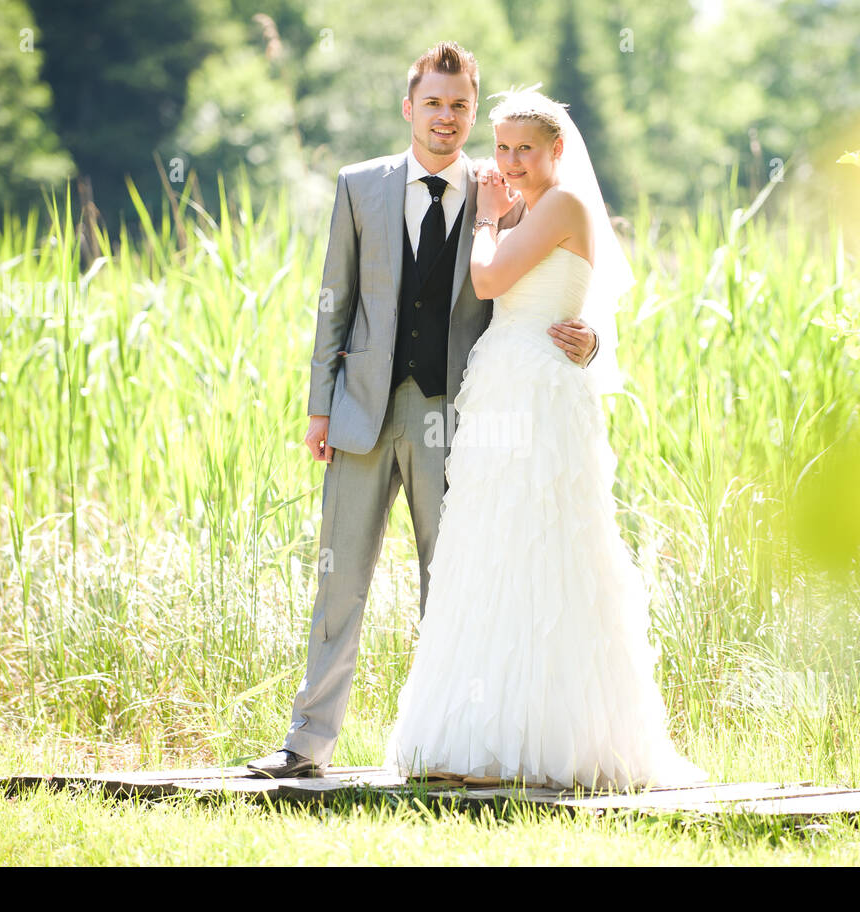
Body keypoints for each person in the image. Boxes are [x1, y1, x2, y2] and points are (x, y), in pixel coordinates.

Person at [244, 43, 601, 779]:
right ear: (410, 108)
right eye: (434, 103)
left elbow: (564, 276)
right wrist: (319, 409)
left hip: (455, 417)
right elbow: (333, 302)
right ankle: (305, 745)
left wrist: (590, 338)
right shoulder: (358, 186)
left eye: (461, 105)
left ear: (473, 112)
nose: (447, 117)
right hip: (360, 414)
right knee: (339, 584)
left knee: (455, 581)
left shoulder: (502, 188)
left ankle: (449, 746)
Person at [380, 88, 708, 790]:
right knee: (492, 544)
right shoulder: (525, 208)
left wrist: (488, 222)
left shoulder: (555, 205)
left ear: (557, 149)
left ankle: (556, 739)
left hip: (537, 389)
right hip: (503, 379)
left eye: (525, 147)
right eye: (501, 147)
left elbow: (493, 276)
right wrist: (500, 215)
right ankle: (481, 731)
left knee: (547, 539)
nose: (511, 160)